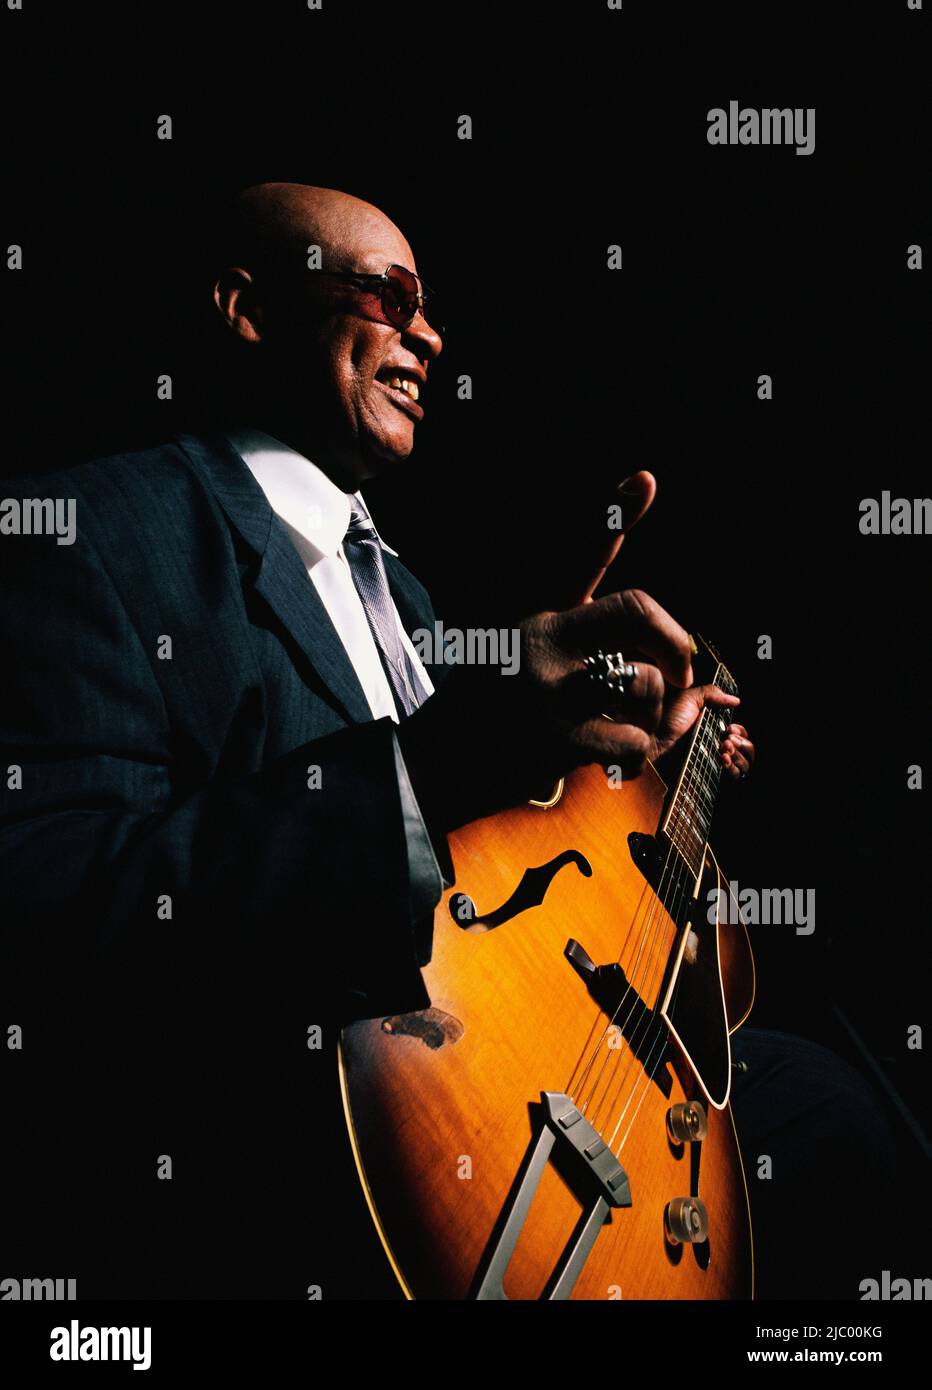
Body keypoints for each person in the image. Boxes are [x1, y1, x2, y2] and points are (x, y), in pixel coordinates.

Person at [1, 183, 885, 1301]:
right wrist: (452, 751)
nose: (427, 334)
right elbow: (54, 902)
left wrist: (635, 757)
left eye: (432, 311)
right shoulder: (84, 532)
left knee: (832, 1111)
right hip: (287, 1152)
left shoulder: (412, 602)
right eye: (390, 294)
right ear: (247, 309)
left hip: (516, 1071)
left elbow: (492, 866)